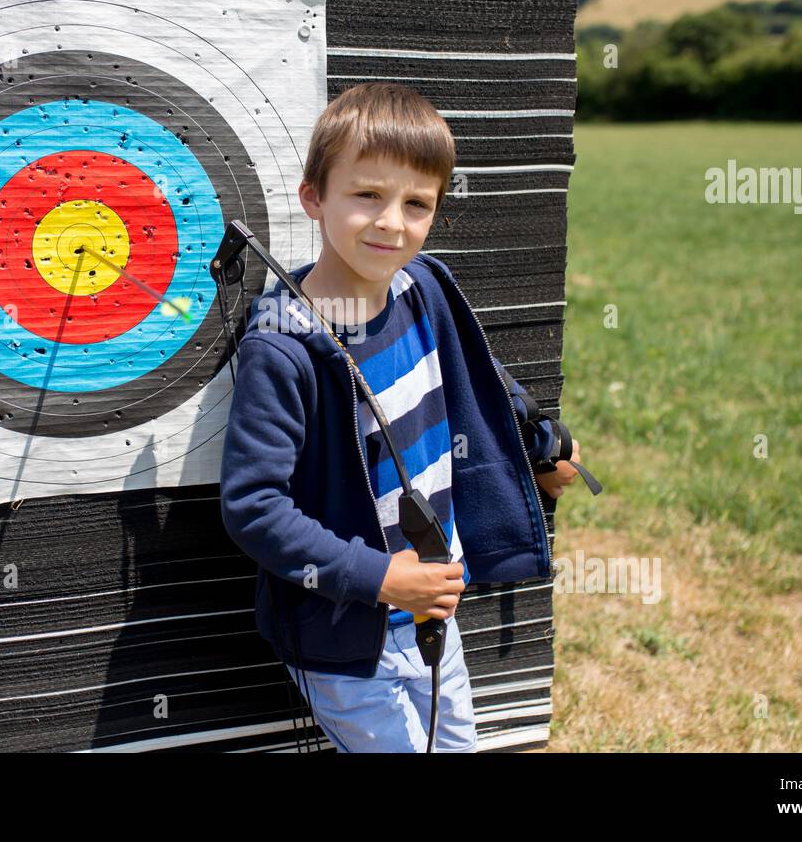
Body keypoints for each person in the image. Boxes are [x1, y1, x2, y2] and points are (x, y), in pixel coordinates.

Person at [219, 81, 581, 752]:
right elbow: (254, 508)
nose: (392, 222)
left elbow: (484, 377)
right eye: (367, 195)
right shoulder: (282, 344)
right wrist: (381, 579)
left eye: (417, 204)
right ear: (313, 197)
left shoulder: (426, 288)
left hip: (434, 606)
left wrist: (541, 443)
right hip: (347, 632)